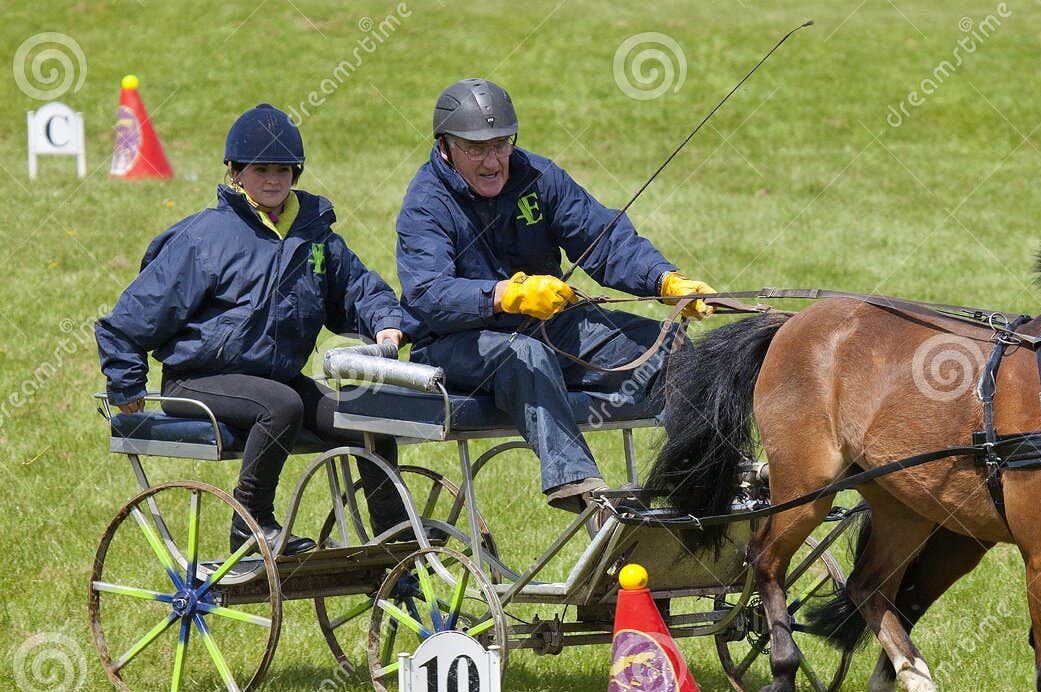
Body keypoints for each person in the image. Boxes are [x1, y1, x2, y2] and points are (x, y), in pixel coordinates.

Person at [97, 104, 408, 555]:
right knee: (280, 405)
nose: (273, 179)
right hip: (197, 380)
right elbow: (127, 322)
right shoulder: (204, 238)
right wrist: (126, 385)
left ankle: (395, 538)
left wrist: (386, 324)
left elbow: (359, 288)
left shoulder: (315, 234)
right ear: (235, 172)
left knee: (369, 422)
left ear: (296, 173)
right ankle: (252, 524)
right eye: (260, 169)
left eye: (283, 169)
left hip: (274, 378)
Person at [396, 77, 716, 512]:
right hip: (456, 342)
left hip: (547, 325)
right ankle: (577, 486)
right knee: (525, 357)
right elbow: (427, 293)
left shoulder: (538, 177)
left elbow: (602, 238)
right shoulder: (426, 204)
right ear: (445, 147)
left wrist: (664, 281)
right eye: (477, 149)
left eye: (502, 144)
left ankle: (701, 477)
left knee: (675, 351)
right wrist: (505, 295)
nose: (493, 162)